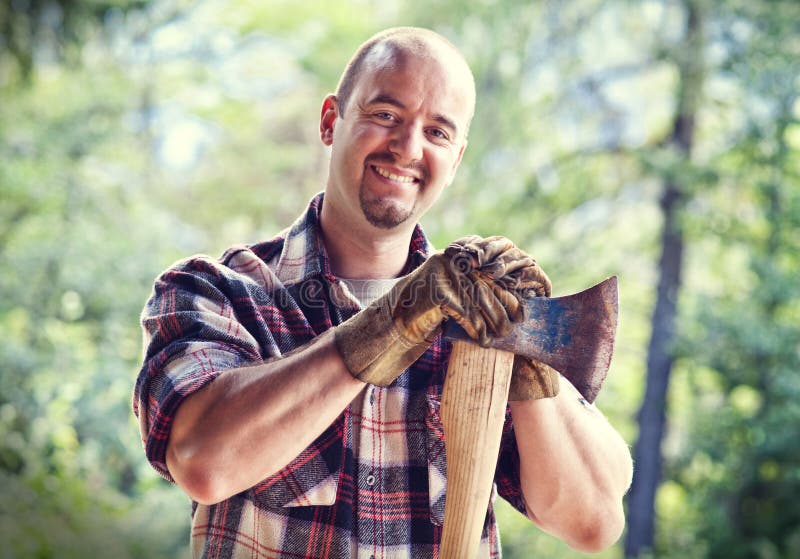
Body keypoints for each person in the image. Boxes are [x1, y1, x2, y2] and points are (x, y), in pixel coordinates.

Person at [134, 27, 633, 559]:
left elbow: (593, 522)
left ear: (456, 158)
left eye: (438, 133)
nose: (407, 147)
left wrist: (532, 362)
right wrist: (391, 322)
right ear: (331, 121)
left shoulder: (480, 320)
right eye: (385, 115)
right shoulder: (218, 292)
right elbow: (203, 462)